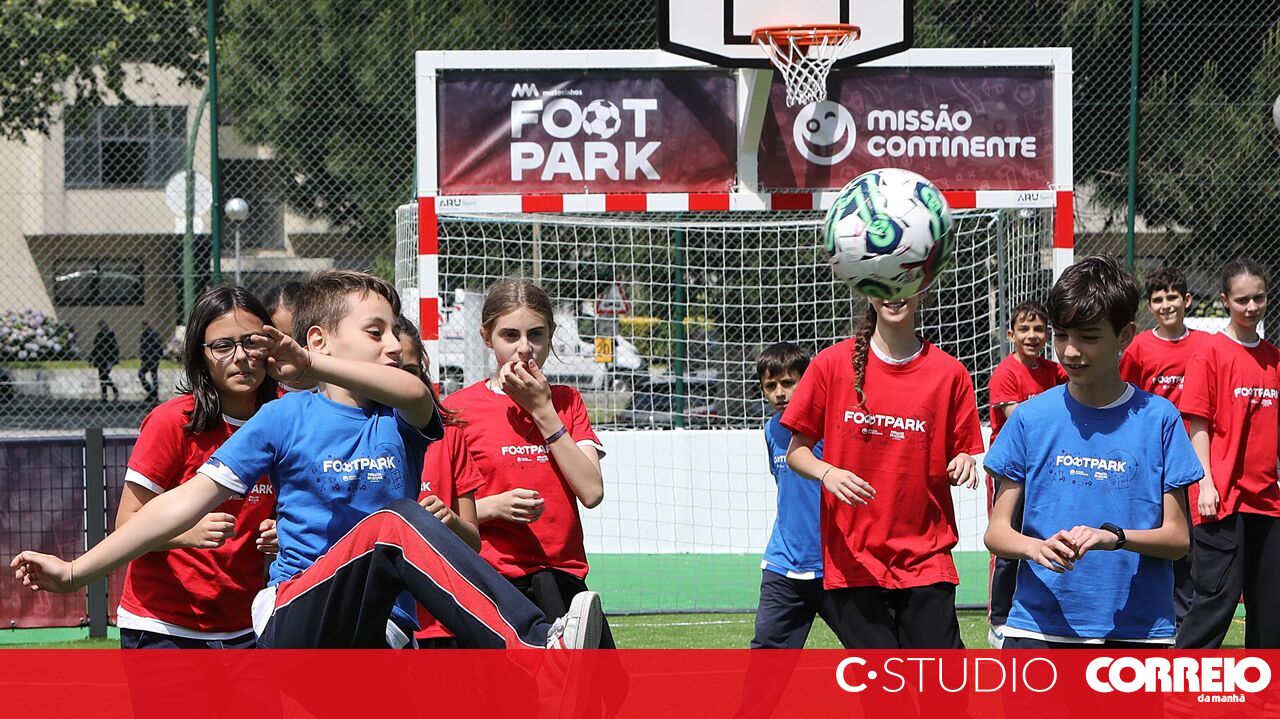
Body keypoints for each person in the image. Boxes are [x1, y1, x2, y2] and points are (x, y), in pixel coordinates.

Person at [12, 270, 603, 650]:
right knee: (393, 527)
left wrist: (314, 367)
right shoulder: (281, 418)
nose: (393, 344)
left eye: (395, 332)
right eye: (375, 331)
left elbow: (418, 394)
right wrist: (75, 573)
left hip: (383, 630)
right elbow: (178, 505)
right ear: (318, 340)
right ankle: (535, 646)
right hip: (298, 620)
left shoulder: (402, 413)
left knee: (394, 533)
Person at [984, 256, 1199, 649]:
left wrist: (1112, 537)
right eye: (1062, 335)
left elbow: (1178, 538)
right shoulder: (1031, 418)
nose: (1069, 351)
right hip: (1036, 629)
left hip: (1137, 633)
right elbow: (996, 532)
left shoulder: (1160, 419)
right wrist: (1035, 547)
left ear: (1125, 334)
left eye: (1088, 337)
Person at [782, 292, 984, 649]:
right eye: (882, 284)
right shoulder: (830, 364)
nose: (894, 295)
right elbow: (797, 453)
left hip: (926, 559)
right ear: (866, 290)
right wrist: (827, 472)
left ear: (921, 288)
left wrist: (965, 459)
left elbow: (963, 450)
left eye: (903, 282)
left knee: (944, 696)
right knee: (884, 701)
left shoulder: (950, 373)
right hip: (854, 562)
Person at [447, 279, 615, 648]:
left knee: (598, 697)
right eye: (510, 335)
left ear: (551, 335)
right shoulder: (458, 410)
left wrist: (543, 410)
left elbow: (591, 491)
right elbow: (438, 512)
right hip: (494, 579)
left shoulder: (567, 401)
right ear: (487, 337)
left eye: (536, 335)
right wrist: (492, 507)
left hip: (563, 576)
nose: (524, 349)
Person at [115, 287, 278, 649]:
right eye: (223, 346)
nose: (241, 357)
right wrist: (185, 534)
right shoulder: (174, 422)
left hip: (247, 625)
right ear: (200, 356)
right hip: (163, 627)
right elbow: (126, 524)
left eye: (252, 342)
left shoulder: (285, 417)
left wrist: (284, 530)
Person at [1177, 258, 1280, 649]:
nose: (1251, 307)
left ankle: (1266, 696)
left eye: (1258, 298)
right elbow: (1198, 427)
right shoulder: (1210, 354)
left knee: (1271, 604)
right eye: (1242, 300)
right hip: (1220, 498)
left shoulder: (1274, 358)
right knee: (1218, 598)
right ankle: (1178, 692)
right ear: (1225, 301)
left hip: (1266, 500)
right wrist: (1205, 483)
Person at [1119, 265, 1209, 629]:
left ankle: (1184, 624)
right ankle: (1147, 617)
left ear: (1186, 300)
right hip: (1149, 458)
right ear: (1150, 307)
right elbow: (1127, 398)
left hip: (1193, 458)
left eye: (1173, 296)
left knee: (1188, 543)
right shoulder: (1139, 346)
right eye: (1158, 299)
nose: (1166, 304)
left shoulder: (1206, 345)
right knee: (1149, 535)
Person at [397, 315, 484, 648]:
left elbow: (473, 541)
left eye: (410, 371)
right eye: (390, 369)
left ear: (423, 369)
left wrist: (448, 519)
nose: (401, 381)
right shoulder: (353, 436)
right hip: (380, 616)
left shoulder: (448, 437)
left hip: (441, 622)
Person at [984, 299, 1067, 646]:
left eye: (1038, 329)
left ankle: (1041, 610)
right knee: (1009, 546)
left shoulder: (1053, 370)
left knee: (1042, 539)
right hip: (1013, 474)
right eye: (1024, 329)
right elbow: (1024, 418)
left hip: (1046, 471)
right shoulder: (1005, 373)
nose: (1032, 335)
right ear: (1011, 334)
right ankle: (998, 619)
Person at [750, 341, 835, 649]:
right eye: (770, 386)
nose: (779, 393)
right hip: (784, 563)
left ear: (807, 380)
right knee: (767, 657)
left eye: (787, 383)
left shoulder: (833, 427)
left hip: (836, 564)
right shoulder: (772, 430)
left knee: (876, 650)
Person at [265, 281, 316, 394]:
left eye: (303, 339)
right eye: (282, 341)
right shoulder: (260, 393)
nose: (294, 352)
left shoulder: (340, 391)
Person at [137, 319, 166, 404]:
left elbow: (158, 345)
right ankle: (152, 393)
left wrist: (155, 356)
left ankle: (153, 395)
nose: (143, 328)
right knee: (143, 374)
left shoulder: (153, 334)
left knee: (153, 375)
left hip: (153, 358)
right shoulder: (144, 335)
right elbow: (142, 348)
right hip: (147, 359)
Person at [91, 319, 120, 401]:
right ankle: (105, 395)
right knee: (102, 377)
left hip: (107, 359)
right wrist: (92, 358)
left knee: (104, 376)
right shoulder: (99, 335)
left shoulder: (110, 334)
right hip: (100, 359)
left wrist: (112, 358)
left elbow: (114, 347)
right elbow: (96, 347)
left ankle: (113, 392)